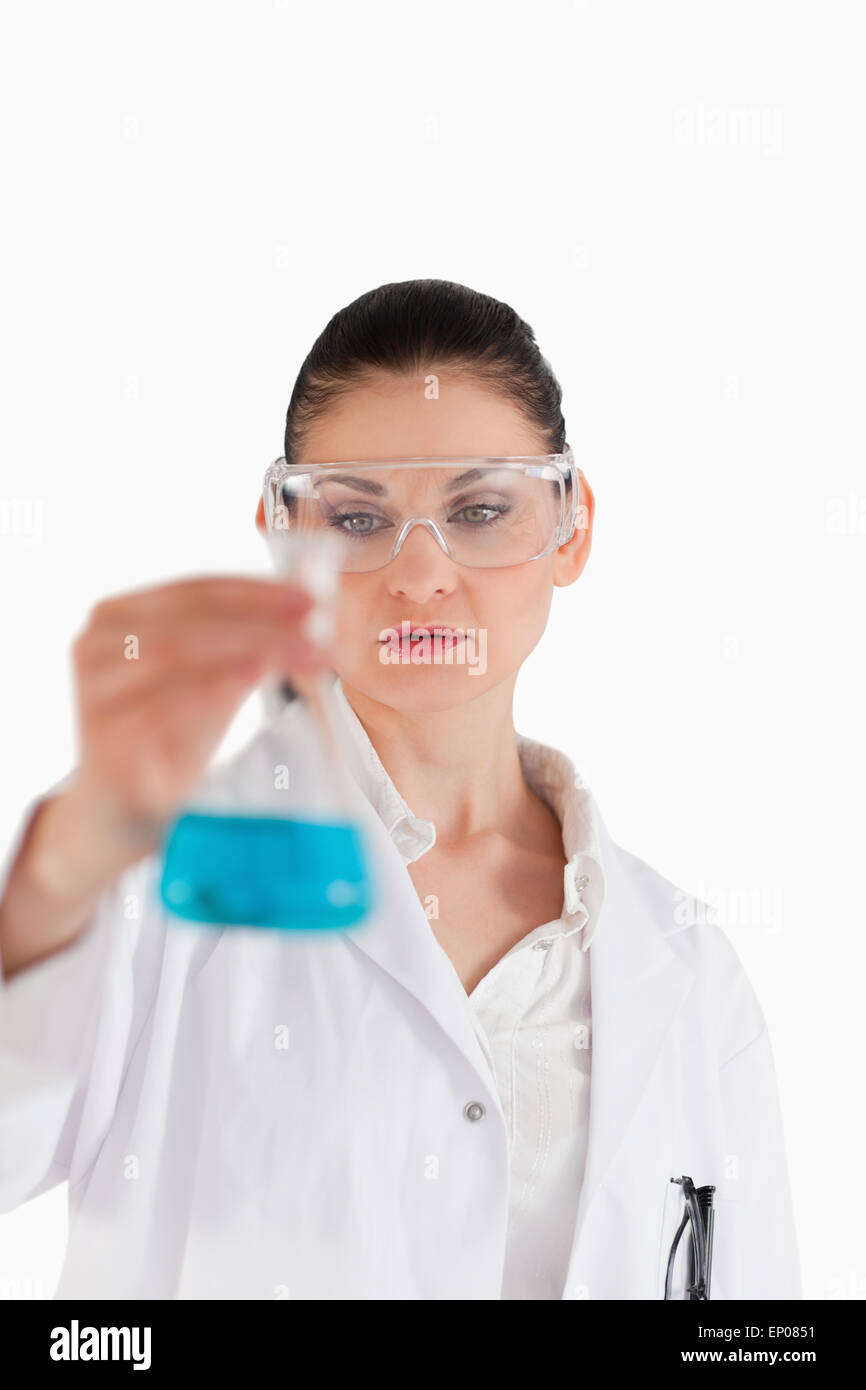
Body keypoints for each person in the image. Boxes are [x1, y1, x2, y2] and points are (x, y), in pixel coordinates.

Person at [0, 279, 801, 1300]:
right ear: (282, 533)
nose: (420, 577)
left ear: (571, 525)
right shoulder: (150, 884)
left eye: (478, 510)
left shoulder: (685, 969)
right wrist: (66, 864)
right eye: (356, 516)